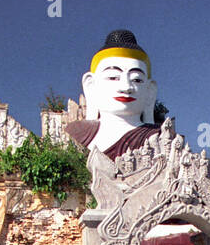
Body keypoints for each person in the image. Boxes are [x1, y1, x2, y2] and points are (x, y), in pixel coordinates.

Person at [66, 29, 160, 160]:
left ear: (150, 91)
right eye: (113, 77)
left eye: (136, 80)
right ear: (90, 85)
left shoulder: (158, 137)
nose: (126, 87)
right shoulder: (76, 133)